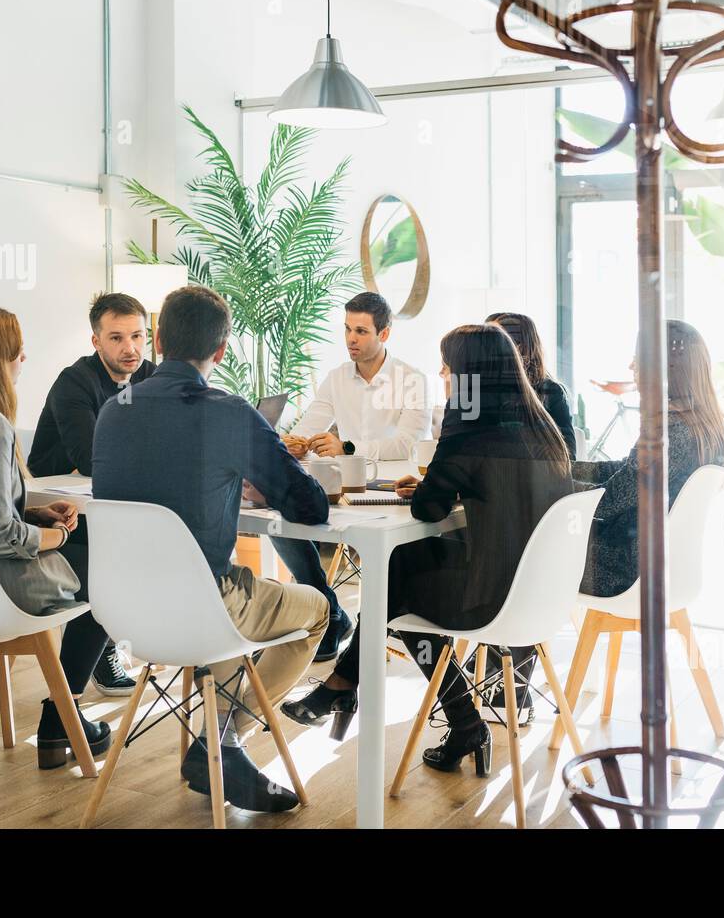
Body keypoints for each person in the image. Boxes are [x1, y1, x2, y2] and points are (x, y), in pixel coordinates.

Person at [283, 324, 572, 777]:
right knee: (400, 571)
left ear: (470, 376)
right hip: (541, 595)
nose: (442, 373)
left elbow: (428, 507)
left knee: (394, 584)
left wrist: (436, 479)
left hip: (492, 600)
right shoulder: (541, 426)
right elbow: (487, 488)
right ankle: (356, 689)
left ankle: (420, 708)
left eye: (448, 366)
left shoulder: (468, 430)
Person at [91, 285, 330, 814]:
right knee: (319, 610)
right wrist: (252, 476)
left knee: (226, 591)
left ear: (156, 338)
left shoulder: (113, 410)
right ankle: (220, 740)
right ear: (220, 352)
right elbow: (310, 506)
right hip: (204, 609)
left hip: (125, 612)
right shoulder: (227, 411)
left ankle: (218, 743)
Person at [0, 304, 112, 770]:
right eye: (16, 349)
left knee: (99, 563)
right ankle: (61, 720)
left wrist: (34, 510)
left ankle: (61, 719)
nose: (23, 358)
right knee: (113, 573)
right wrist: (56, 538)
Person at [274, 291, 432, 662]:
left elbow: (408, 443)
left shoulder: (412, 379)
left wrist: (347, 447)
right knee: (281, 520)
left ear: (385, 334)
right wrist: (295, 443)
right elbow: (310, 424)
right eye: (347, 329)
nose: (351, 339)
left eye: (361, 331)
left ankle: (359, 630)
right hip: (340, 490)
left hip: (391, 492)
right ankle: (330, 613)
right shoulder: (336, 377)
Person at [28, 292, 158, 697]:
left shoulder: (151, 375)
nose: (130, 348)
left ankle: (82, 679)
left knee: (143, 548)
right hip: (62, 506)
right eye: (117, 338)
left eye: (137, 336)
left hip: (109, 497)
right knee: (110, 566)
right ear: (96, 341)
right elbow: (89, 458)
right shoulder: (75, 382)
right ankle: (75, 688)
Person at [576, 320, 724, 598]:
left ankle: (510, 634)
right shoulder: (701, 424)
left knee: (520, 536)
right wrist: (569, 470)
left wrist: (547, 488)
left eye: (637, 358)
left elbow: (609, 501)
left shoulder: (668, 431)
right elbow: (628, 471)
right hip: (656, 563)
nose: (631, 367)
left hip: (623, 569)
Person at [486, 311, 577, 457]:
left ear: (519, 347)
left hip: (531, 477)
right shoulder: (480, 390)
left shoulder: (551, 392)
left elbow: (568, 456)